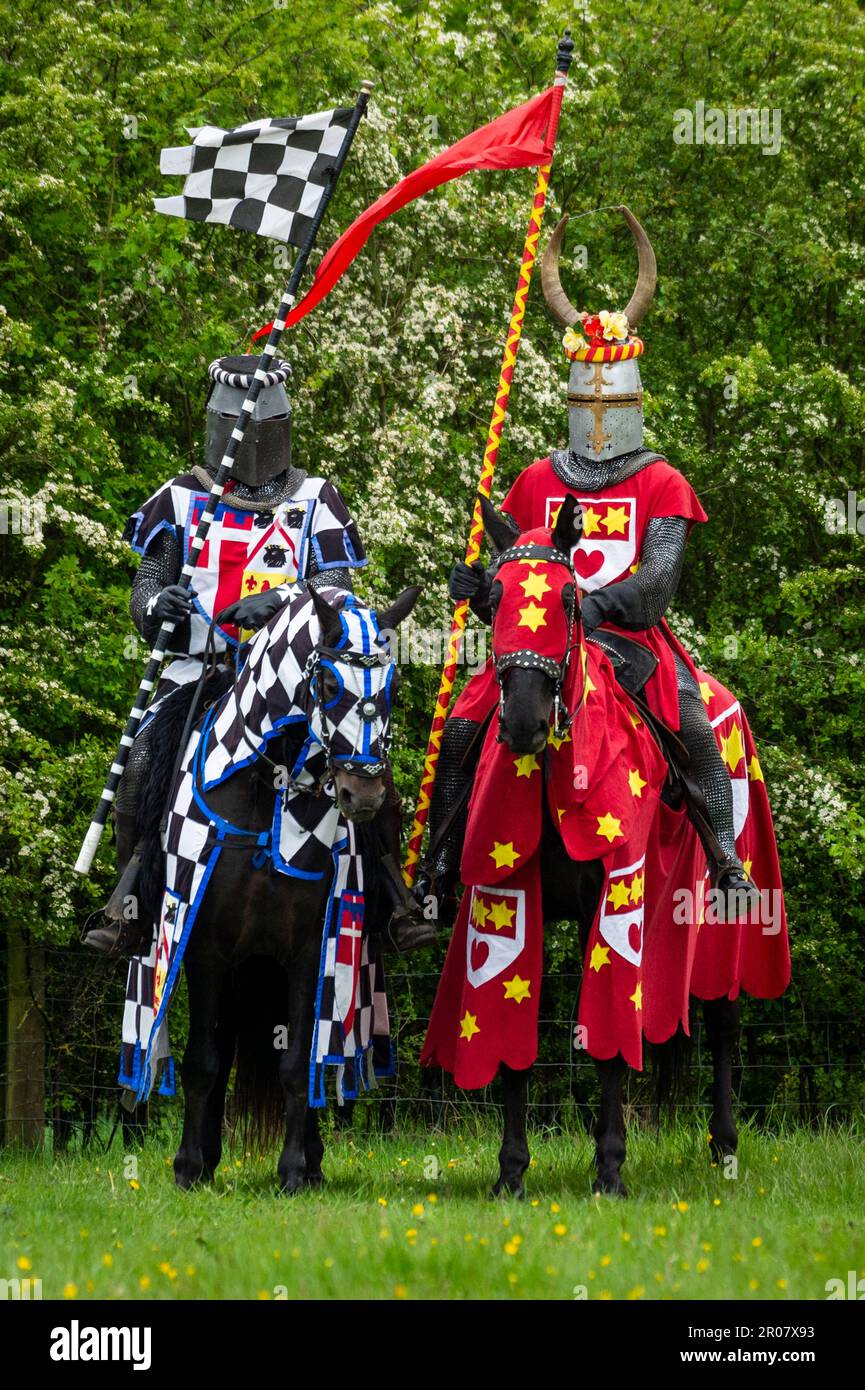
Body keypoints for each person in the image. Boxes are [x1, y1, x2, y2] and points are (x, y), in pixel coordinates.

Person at [422, 209, 760, 926]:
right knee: (457, 731)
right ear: (572, 395)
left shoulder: (662, 482)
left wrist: (597, 605)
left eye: (613, 398)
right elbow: (509, 587)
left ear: (632, 395)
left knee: (696, 722)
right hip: (537, 648)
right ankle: (437, 873)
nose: (600, 413)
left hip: (627, 641)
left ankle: (725, 857)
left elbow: (657, 583)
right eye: (588, 397)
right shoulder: (535, 479)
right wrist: (479, 591)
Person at [86, 354, 429, 954]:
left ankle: (391, 899)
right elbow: (145, 590)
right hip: (202, 674)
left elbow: (340, 599)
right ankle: (132, 901)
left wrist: (279, 598)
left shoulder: (317, 499)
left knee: (368, 764)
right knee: (143, 762)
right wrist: (155, 608)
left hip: (297, 683)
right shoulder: (180, 498)